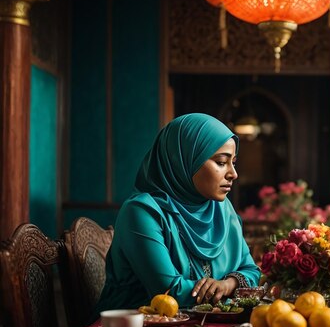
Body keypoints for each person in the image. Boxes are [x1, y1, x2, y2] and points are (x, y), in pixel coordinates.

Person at [94, 113, 260, 316]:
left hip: (198, 325)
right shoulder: (141, 212)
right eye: (221, 162)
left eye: (233, 162)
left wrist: (228, 284)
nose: (233, 173)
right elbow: (169, 293)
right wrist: (230, 290)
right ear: (184, 160)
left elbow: (252, 271)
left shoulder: (222, 210)